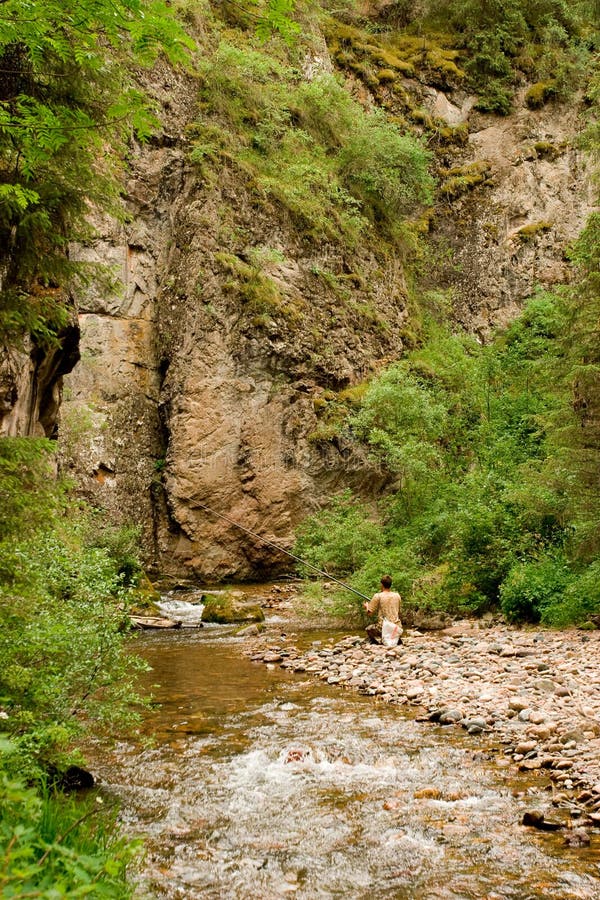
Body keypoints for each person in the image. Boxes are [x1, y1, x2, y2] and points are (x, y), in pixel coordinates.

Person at [364, 575, 402, 644]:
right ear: (390, 584)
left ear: (381, 584)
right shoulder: (397, 595)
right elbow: (399, 611)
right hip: (397, 627)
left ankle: (377, 643)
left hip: (384, 628)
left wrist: (367, 606)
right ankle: (395, 638)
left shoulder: (378, 596)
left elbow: (369, 613)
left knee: (368, 629)